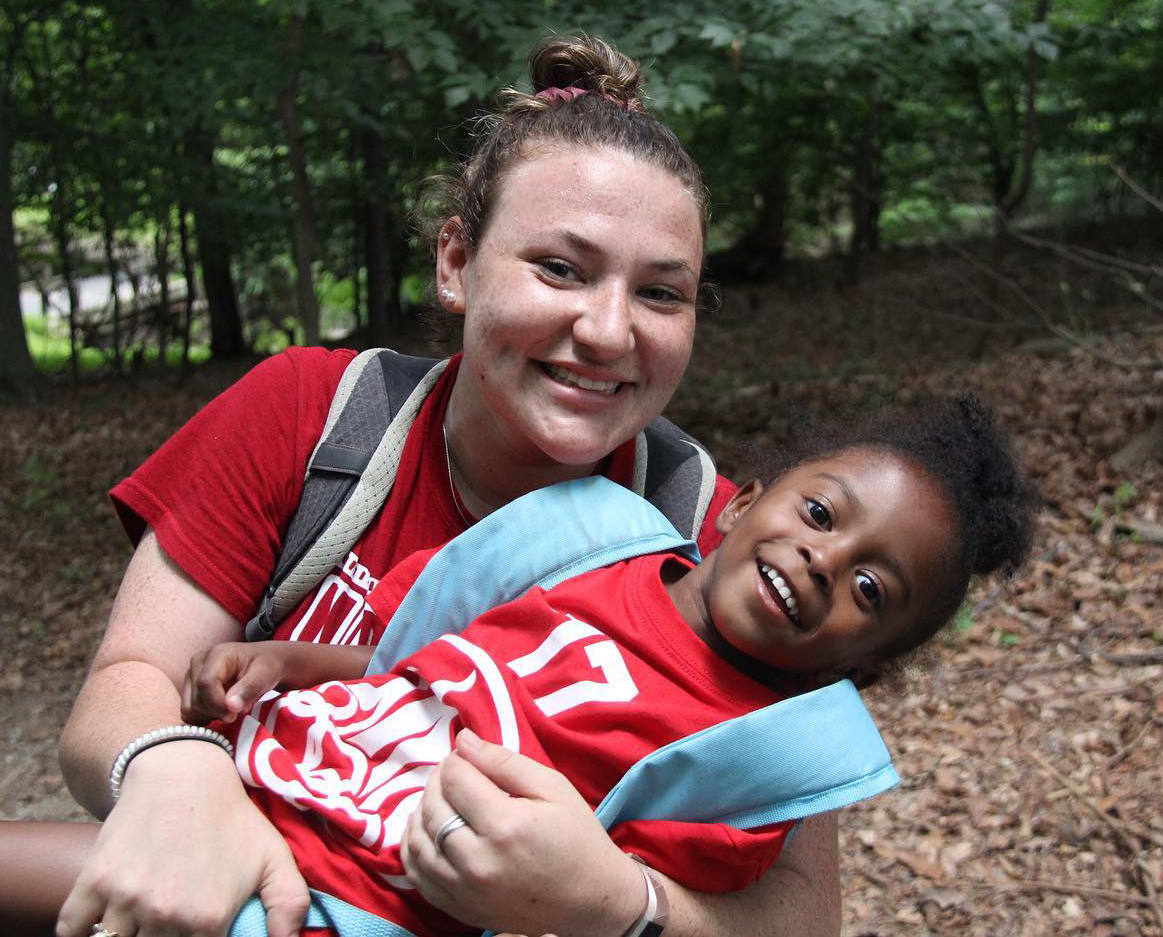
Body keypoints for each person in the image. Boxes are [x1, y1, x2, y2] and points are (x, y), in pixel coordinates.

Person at [47, 32, 837, 937]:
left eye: (662, 293)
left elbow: (804, 914)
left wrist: (620, 903)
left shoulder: (721, 541)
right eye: (560, 269)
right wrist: (178, 773)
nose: (611, 330)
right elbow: (129, 681)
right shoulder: (312, 418)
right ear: (456, 262)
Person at [5, 395, 1034, 937]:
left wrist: (601, 899)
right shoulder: (599, 541)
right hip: (282, 786)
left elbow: (648, 901)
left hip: (352, 902)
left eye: (868, 590)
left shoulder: (746, 753)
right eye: (817, 514)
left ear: (867, 663)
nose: (821, 559)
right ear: (739, 498)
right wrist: (295, 660)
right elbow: (433, 662)